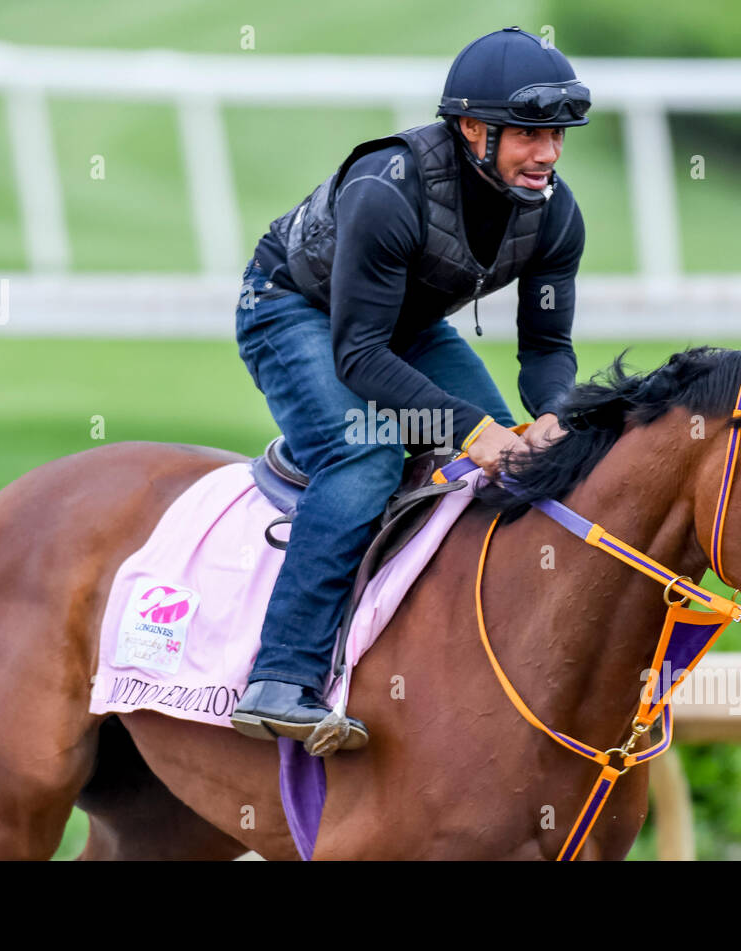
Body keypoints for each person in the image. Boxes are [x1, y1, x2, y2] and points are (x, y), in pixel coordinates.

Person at [230, 26, 589, 753]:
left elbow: (547, 347)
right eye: (528, 134)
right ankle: (281, 679)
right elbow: (359, 355)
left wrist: (554, 415)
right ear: (470, 128)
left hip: (403, 323)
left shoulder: (555, 213)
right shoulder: (386, 190)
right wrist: (470, 428)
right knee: (362, 456)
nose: (548, 152)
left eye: (557, 133)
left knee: (515, 470)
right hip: (294, 308)